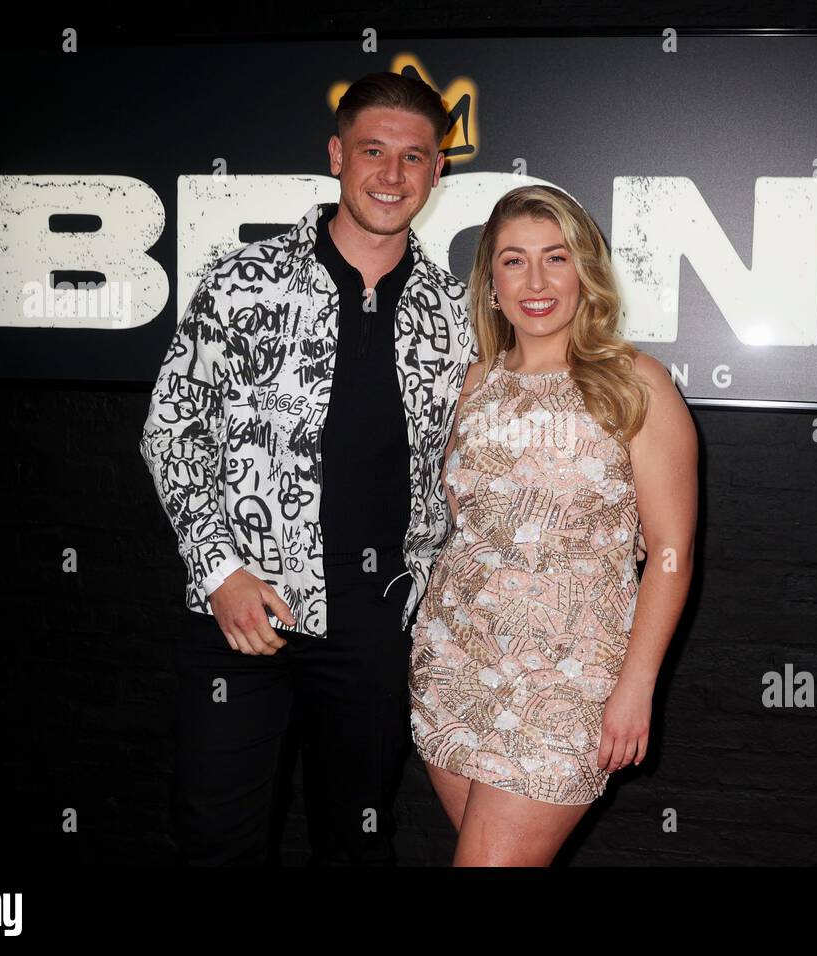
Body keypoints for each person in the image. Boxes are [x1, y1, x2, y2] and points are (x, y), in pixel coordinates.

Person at [138, 71, 475, 865]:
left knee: (355, 842)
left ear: (436, 172)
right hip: (242, 616)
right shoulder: (243, 280)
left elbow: (475, 462)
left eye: (414, 158)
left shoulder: (454, 313)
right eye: (373, 151)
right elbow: (172, 428)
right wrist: (219, 572)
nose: (392, 176)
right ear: (336, 155)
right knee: (217, 838)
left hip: (376, 627)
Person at [409, 184, 698, 865]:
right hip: (452, 665)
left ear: (585, 271)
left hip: (571, 681)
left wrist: (636, 685)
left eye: (556, 258)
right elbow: (464, 524)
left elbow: (671, 551)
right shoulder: (475, 383)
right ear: (490, 280)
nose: (536, 282)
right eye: (514, 261)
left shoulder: (635, 382)